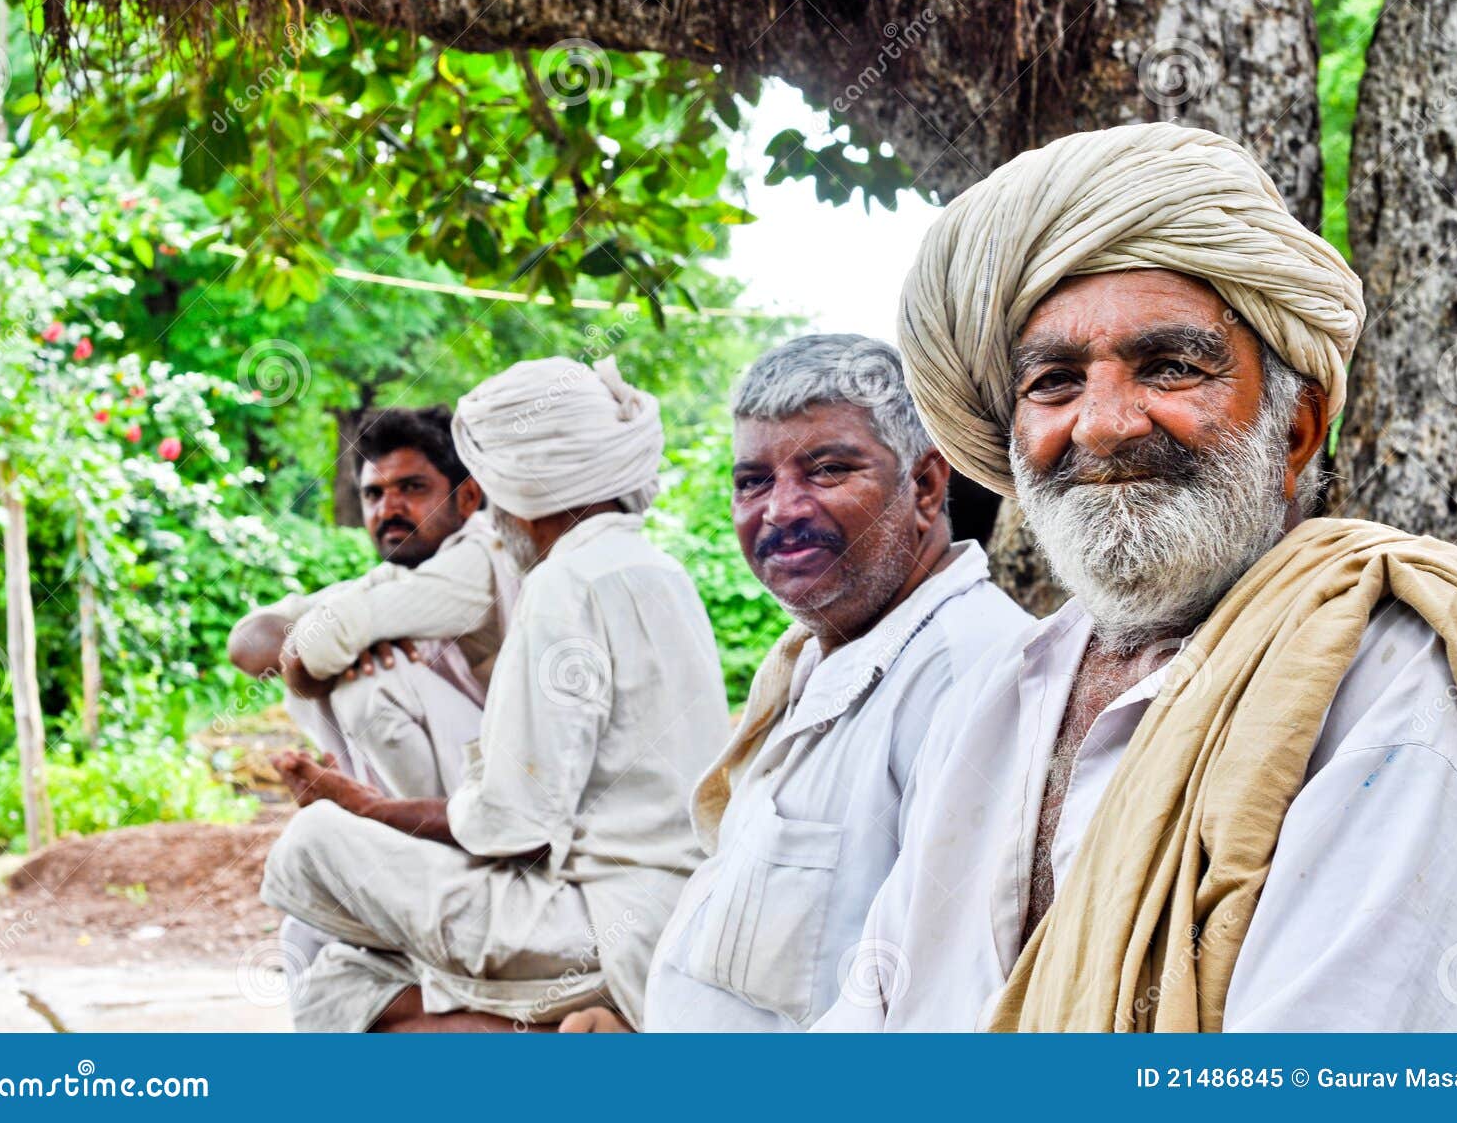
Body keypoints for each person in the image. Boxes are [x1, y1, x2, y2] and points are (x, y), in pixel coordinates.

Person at [818, 122, 1457, 1032]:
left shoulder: (1389, 682)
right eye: (1054, 381)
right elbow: (867, 1014)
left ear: (1297, 430)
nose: (1104, 423)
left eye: (1171, 366)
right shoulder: (1006, 686)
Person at [559, 335, 1031, 1033]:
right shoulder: (825, 650)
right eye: (752, 480)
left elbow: (932, 1019)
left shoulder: (970, 675)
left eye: (828, 469)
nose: (779, 509)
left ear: (926, 486)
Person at [260, 356, 731, 1032]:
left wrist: (368, 808)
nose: (486, 501)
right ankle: (558, 1022)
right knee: (344, 980)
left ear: (523, 482)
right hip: (675, 913)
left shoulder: (562, 583)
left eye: (489, 477)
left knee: (313, 841)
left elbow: (515, 824)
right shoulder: (660, 569)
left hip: (595, 924)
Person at [227, 406, 517, 972]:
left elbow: (331, 637)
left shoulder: (481, 561)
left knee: (373, 681)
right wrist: (325, 646)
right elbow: (249, 642)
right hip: (406, 816)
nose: (389, 508)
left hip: (497, 815)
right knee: (301, 939)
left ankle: (426, 851)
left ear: (466, 499)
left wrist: (318, 662)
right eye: (373, 494)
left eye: (412, 488)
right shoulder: (384, 583)